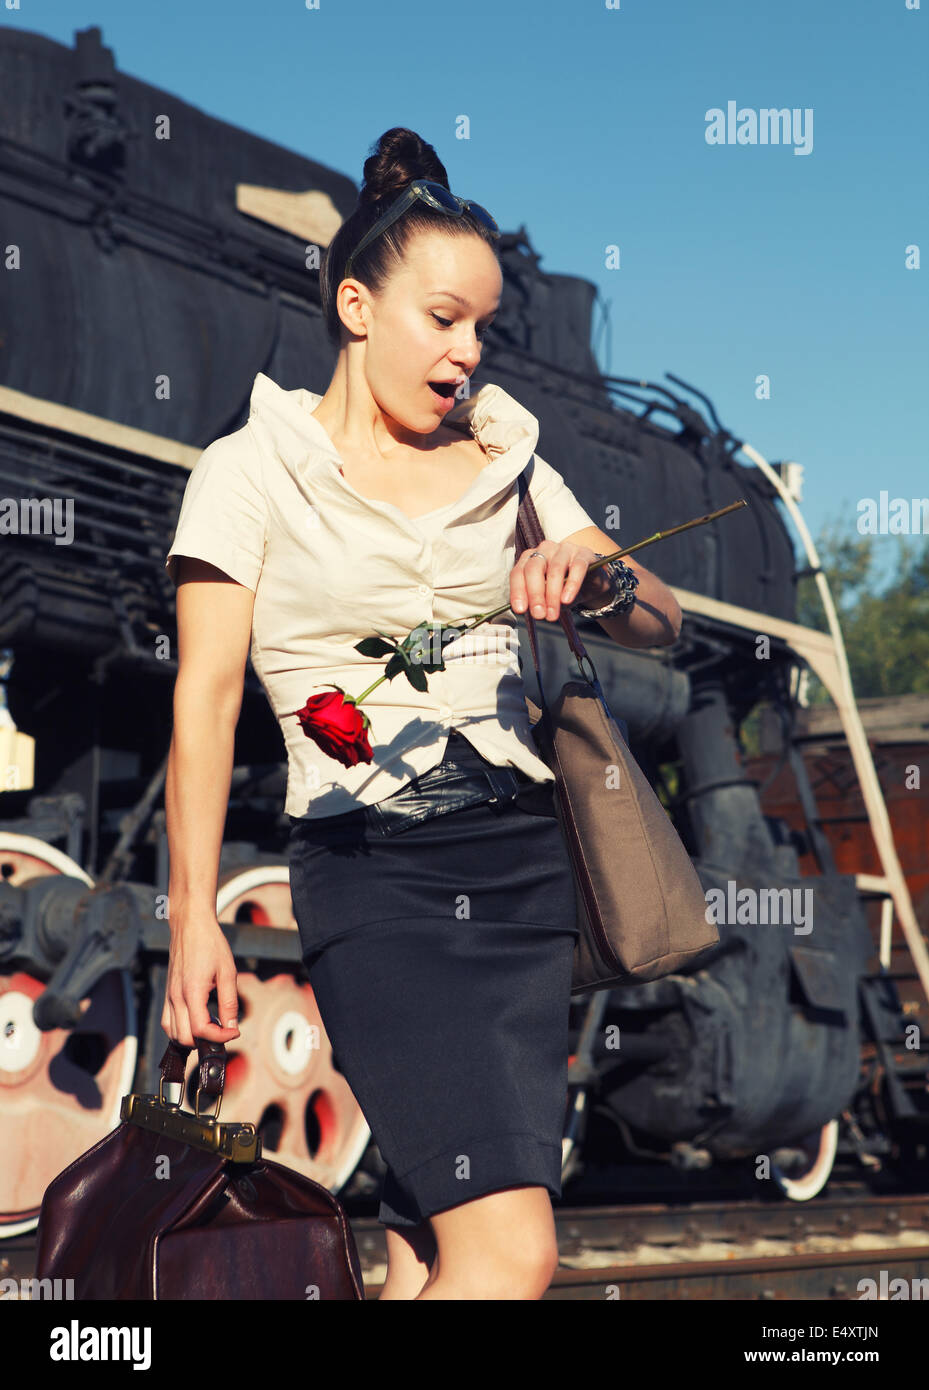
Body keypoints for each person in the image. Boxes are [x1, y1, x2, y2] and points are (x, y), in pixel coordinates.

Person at [161, 126, 682, 1301]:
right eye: (442, 319)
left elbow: (662, 619)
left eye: (483, 326)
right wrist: (192, 917)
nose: (467, 351)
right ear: (355, 304)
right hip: (376, 882)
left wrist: (598, 578)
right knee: (511, 1253)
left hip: (522, 874)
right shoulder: (248, 469)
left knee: (428, 1255)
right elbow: (202, 697)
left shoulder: (507, 459)